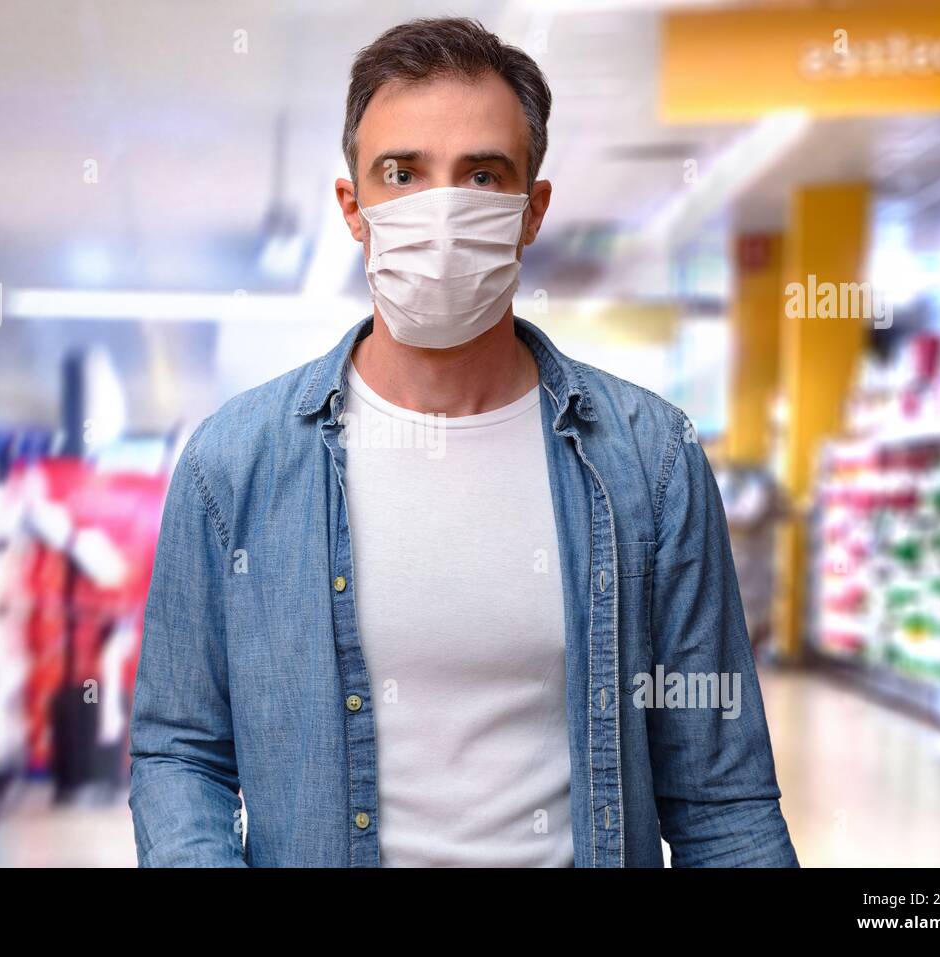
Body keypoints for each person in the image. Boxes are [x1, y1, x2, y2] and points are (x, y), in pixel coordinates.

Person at [129, 16, 798, 868]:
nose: (440, 214)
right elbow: (180, 753)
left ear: (532, 211)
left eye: (481, 176)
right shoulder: (234, 466)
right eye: (401, 174)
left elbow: (720, 798)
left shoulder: (651, 460)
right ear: (353, 207)